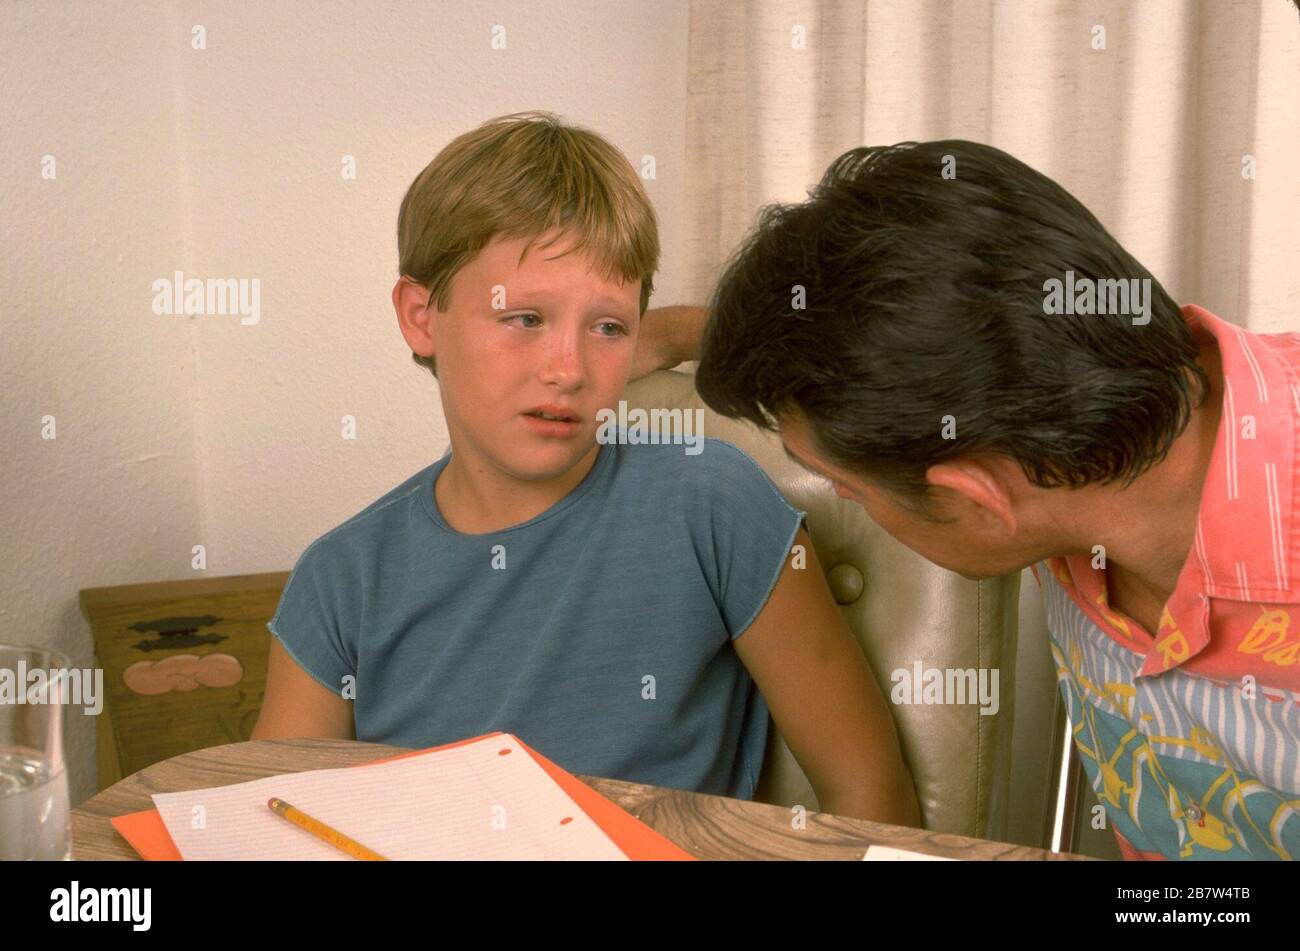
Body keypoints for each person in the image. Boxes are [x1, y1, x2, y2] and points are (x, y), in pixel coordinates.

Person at [636, 139, 1300, 860]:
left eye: (846, 487)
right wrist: (663, 333)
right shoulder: (1087, 407)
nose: (848, 497)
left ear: (978, 500)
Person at [252, 113, 919, 826]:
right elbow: (274, 827)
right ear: (421, 315)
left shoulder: (712, 503)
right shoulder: (339, 579)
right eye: (524, 319)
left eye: (608, 327)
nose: (568, 370)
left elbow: (873, 800)